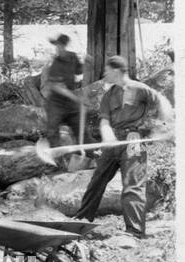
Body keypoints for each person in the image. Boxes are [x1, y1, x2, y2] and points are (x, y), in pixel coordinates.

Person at [71, 55, 174, 239]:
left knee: (132, 186)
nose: (104, 74)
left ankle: (134, 232)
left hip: (133, 141)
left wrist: (165, 127)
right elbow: (104, 119)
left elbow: (162, 103)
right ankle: (82, 221)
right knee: (96, 182)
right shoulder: (109, 95)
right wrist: (107, 133)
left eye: (107, 71)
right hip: (113, 143)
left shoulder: (140, 89)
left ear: (117, 70)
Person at [40, 32, 86, 157]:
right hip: (56, 102)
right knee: (53, 131)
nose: (58, 48)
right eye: (57, 46)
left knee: (81, 129)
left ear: (65, 46)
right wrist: (76, 98)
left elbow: (79, 71)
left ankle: (86, 155)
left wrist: (87, 63)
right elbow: (57, 86)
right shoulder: (55, 63)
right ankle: (58, 158)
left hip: (70, 101)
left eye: (60, 46)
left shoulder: (73, 57)